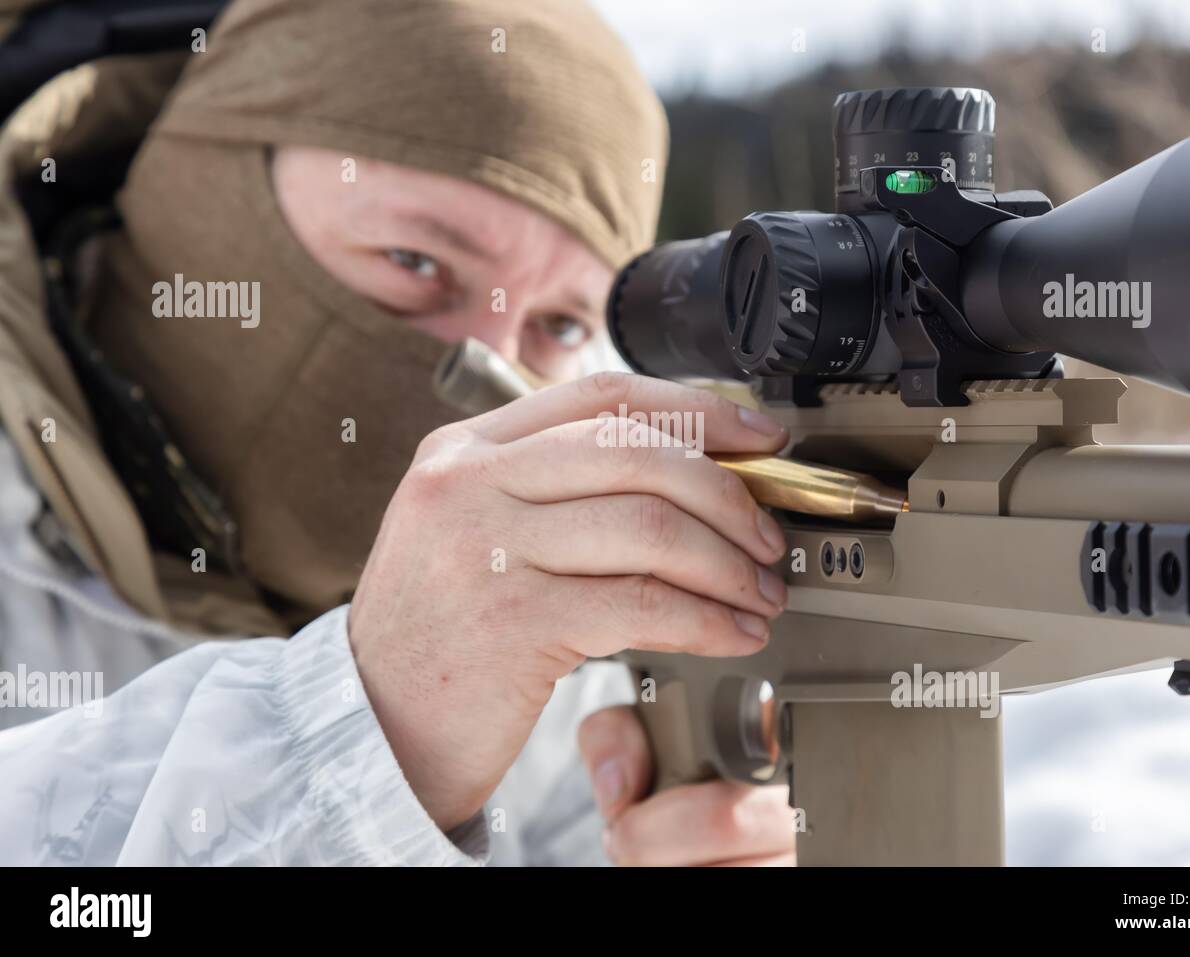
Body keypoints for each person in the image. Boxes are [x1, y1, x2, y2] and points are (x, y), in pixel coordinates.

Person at [0, 0, 796, 865]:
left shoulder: (564, 679)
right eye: (416, 263)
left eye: (559, 325)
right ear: (201, 197)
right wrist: (364, 736)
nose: (485, 369)